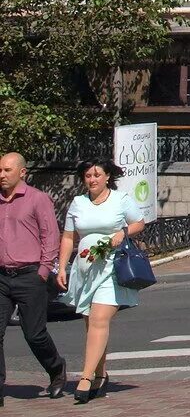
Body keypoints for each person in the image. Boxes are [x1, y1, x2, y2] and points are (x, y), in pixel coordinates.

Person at [57, 158, 146, 403]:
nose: (92, 179)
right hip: (85, 271)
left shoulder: (120, 199)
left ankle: (85, 378)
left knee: (98, 319)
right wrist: (62, 267)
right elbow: (68, 237)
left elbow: (139, 222)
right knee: (92, 326)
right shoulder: (78, 203)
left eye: (97, 175)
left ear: (108, 176)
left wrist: (122, 232)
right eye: (88, 176)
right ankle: (100, 374)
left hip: (112, 269)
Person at [0, 152, 67, 404]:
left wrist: (42, 271)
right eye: (0, 170)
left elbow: (50, 236)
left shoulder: (38, 199)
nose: (2, 175)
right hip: (2, 277)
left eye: (7, 170)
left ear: (22, 172)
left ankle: (56, 369)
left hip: (30, 275)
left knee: (34, 334)